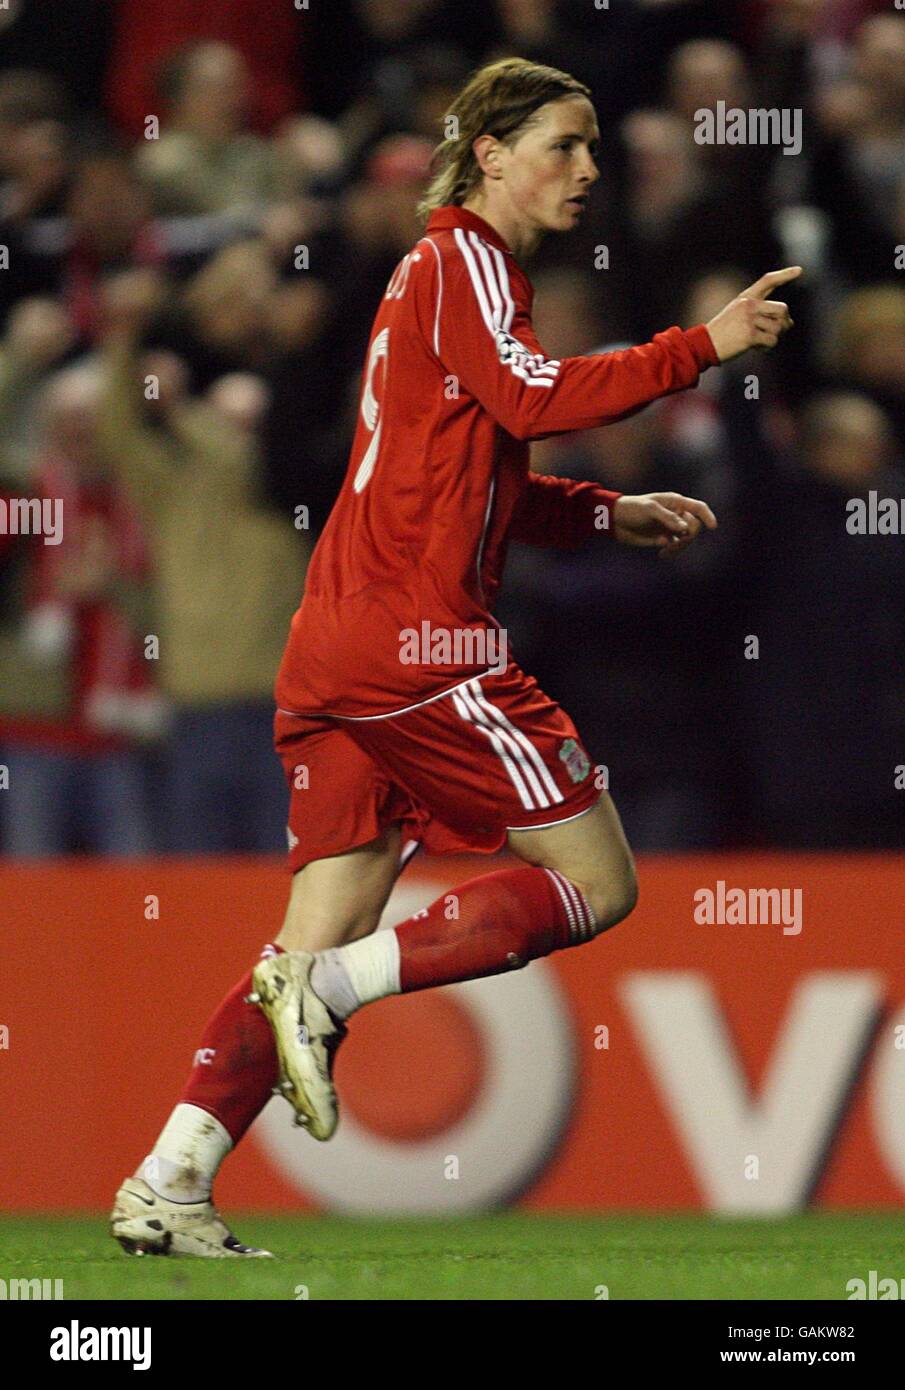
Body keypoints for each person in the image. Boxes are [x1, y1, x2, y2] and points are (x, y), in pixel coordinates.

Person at [110, 56, 797, 1257]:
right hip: (415, 644)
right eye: (563, 146)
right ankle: (327, 1000)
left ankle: (171, 1175)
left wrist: (602, 514)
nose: (586, 172)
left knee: (312, 931)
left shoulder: (437, 279)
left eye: (591, 150)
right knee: (595, 881)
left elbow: (465, 472)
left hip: (338, 642)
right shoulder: (462, 262)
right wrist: (702, 343)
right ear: (489, 154)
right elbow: (530, 402)